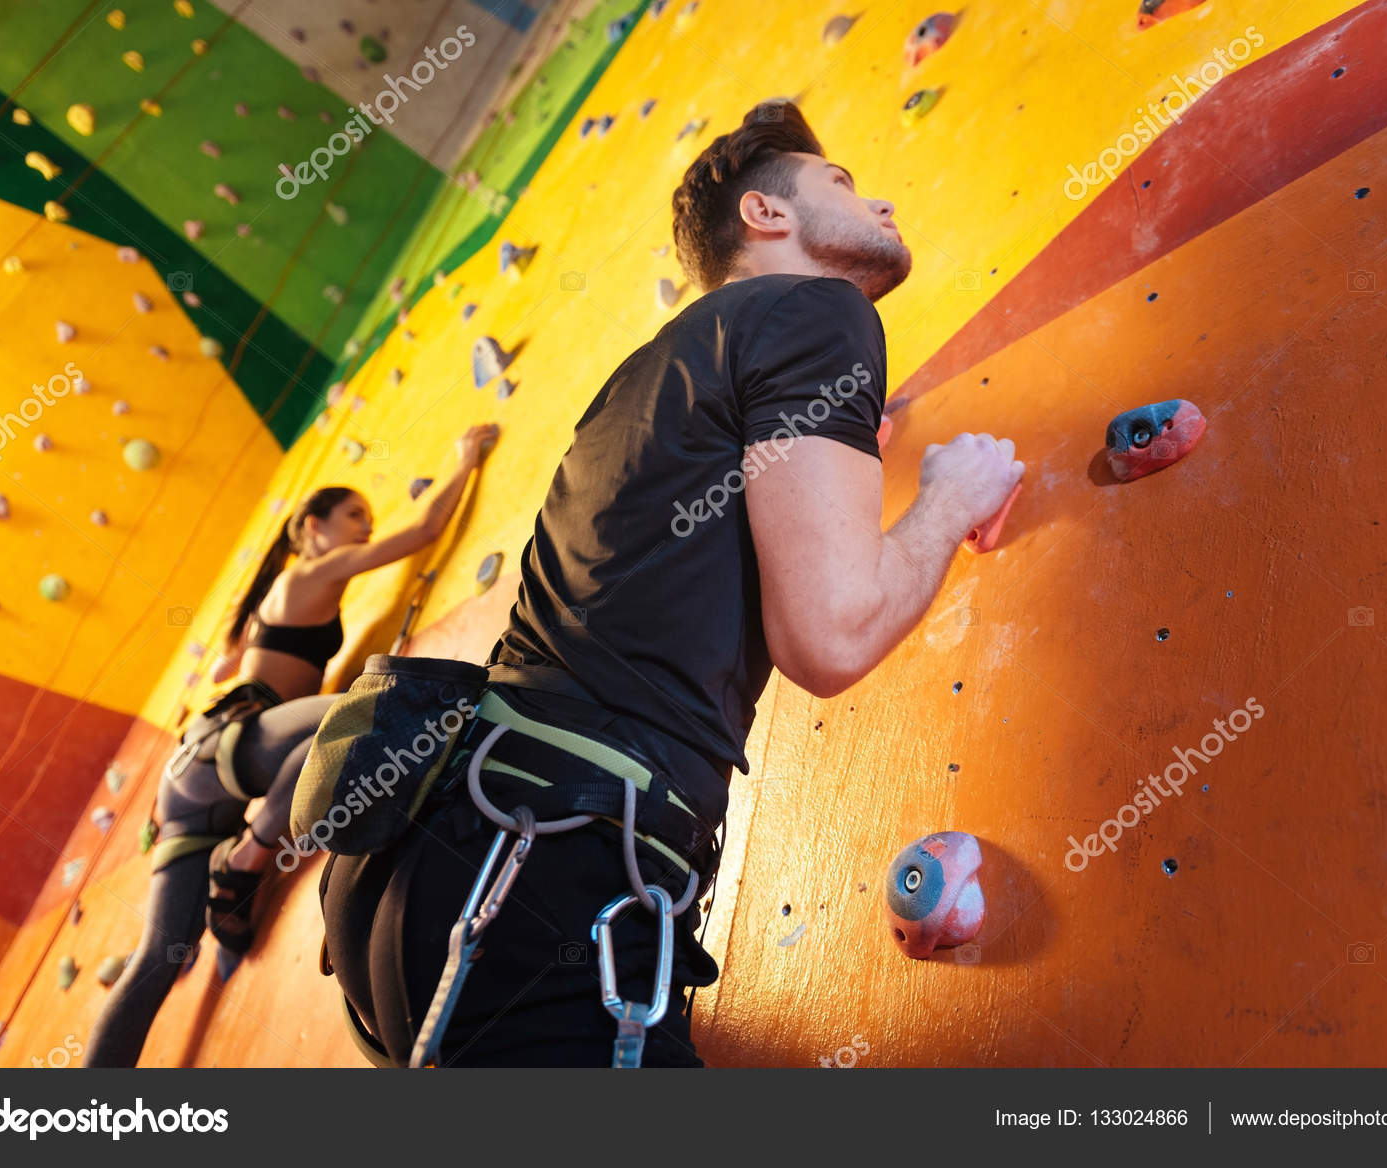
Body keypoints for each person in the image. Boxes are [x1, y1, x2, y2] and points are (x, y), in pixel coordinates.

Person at [318, 100, 1024, 1067]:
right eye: (844, 185)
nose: (884, 200)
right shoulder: (820, 311)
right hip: (544, 861)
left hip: (437, 863)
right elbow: (831, 636)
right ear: (767, 216)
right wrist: (948, 498)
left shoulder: (654, 371)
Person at [82, 423, 498, 1067]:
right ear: (312, 528)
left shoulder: (271, 603)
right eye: (354, 514)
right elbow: (420, 534)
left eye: (367, 515)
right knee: (352, 720)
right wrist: (464, 457)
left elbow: (229, 670)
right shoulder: (312, 572)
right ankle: (246, 857)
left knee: (161, 958)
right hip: (228, 746)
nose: (364, 525)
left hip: (198, 779)